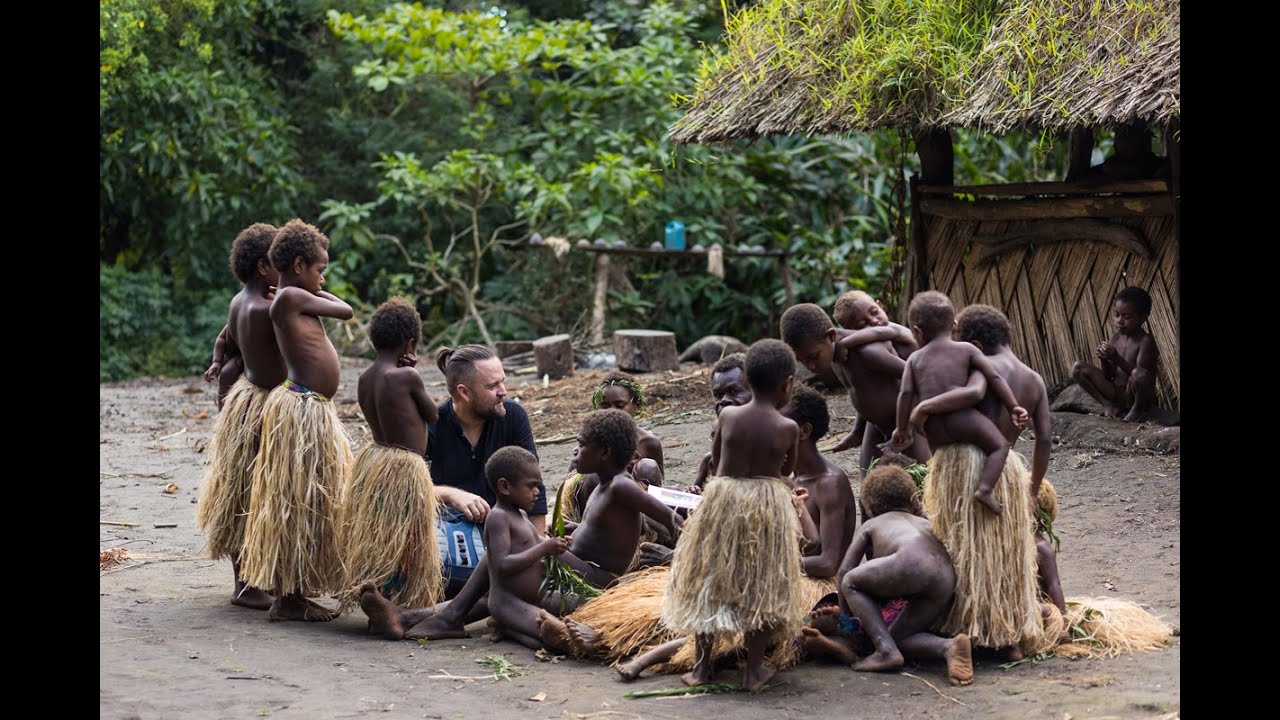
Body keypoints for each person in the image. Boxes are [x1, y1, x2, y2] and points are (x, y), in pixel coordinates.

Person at [662, 338, 804, 693]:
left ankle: (701, 666)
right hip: (767, 503)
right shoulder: (788, 428)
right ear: (788, 385)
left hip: (723, 500)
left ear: (749, 381)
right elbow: (790, 469)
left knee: (709, 579)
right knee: (761, 585)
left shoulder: (727, 416)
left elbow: (714, 458)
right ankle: (753, 671)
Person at [360, 446, 590, 652]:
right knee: (551, 634)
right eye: (531, 486)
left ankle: (493, 627)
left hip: (523, 598)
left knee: (536, 631)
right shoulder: (499, 518)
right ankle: (519, 630)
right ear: (504, 487)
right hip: (508, 602)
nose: (538, 492)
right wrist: (545, 549)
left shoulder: (519, 516)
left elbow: (532, 546)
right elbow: (500, 565)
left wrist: (559, 543)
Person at [239, 219, 355, 622]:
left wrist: (310, 286)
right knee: (297, 501)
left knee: (308, 501)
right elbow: (346, 309)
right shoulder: (291, 298)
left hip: (310, 408)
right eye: (321, 270)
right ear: (301, 264)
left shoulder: (290, 296)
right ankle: (288, 599)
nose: (323, 279)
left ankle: (295, 593)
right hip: (301, 411)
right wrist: (315, 290)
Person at [195, 222, 282, 611]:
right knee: (252, 494)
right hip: (258, 406)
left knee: (245, 491)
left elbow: (228, 343)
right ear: (265, 266)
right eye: (282, 263)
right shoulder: (267, 309)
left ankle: (250, 581)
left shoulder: (237, 302)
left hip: (242, 404)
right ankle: (248, 586)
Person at [337, 297, 443, 611]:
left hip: (376, 462)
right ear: (410, 344)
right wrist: (415, 372)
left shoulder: (364, 378)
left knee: (381, 532)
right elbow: (432, 414)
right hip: (406, 469)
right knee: (407, 538)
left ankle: (378, 592)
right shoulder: (407, 377)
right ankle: (401, 602)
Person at [889, 291, 1028, 515]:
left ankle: (945, 500)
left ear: (916, 331)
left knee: (940, 464)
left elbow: (905, 394)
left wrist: (901, 427)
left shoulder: (914, 359)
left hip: (931, 429)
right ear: (954, 325)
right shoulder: (967, 349)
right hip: (962, 419)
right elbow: (994, 378)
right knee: (999, 446)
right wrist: (1014, 406)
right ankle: (984, 490)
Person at [834, 464, 974, 686]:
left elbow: (844, 572)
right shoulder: (925, 522)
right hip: (944, 579)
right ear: (912, 500)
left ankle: (885, 651)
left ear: (870, 507)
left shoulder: (872, 523)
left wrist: (846, 619)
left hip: (910, 565)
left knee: (851, 582)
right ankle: (948, 647)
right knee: (897, 635)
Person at [910, 304, 1052, 500]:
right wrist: (1033, 491)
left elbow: (973, 393)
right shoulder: (1036, 380)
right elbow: (1044, 439)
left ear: (975, 347)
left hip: (967, 472)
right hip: (1004, 472)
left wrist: (925, 407)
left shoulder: (984, 369)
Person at [780, 303, 929, 479]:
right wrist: (857, 431)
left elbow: (917, 380)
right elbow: (861, 393)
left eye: (813, 357)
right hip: (874, 426)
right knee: (867, 487)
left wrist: (906, 427)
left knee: (924, 482)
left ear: (831, 336)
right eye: (802, 361)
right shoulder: (835, 355)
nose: (810, 366)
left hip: (905, 424)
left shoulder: (867, 352)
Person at [568, 409, 682, 586]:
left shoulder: (620, 486)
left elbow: (673, 519)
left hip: (599, 577)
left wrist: (679, 557)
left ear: (604, 452)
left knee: (540, 545)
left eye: (581, 445)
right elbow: (610, 533)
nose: (574, 451)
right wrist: (576, 529)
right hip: (587, 568)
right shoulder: (604, 485)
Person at [783, 385, 859, 579]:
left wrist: (774, 563)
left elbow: (828, 564)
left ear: (804, 431)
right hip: (793, 575)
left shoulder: (829, 484)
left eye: (779, 423)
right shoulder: (790, 476)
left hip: (818, 588)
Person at [1071, 286, 1159, 422]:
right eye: (1117, 315)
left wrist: (1117, 358)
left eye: (1126, 316)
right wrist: (1104, 360)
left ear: (1143, 318)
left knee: (1139, 374)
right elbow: (1109, 375)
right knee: (1078, 367)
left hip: (1134, 395)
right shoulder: (1116, 338)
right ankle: (1107, 405)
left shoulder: (1145, 341)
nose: (1119, 321)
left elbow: (1141, 377)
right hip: (1115, 392)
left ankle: (1137, 410)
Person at [203, 324, 245, 410]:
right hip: (242, 358)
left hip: (271, 359)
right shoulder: (238, 316)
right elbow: (221, 339)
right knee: (226, 373)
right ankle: (223, 414)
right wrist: (216, 362)